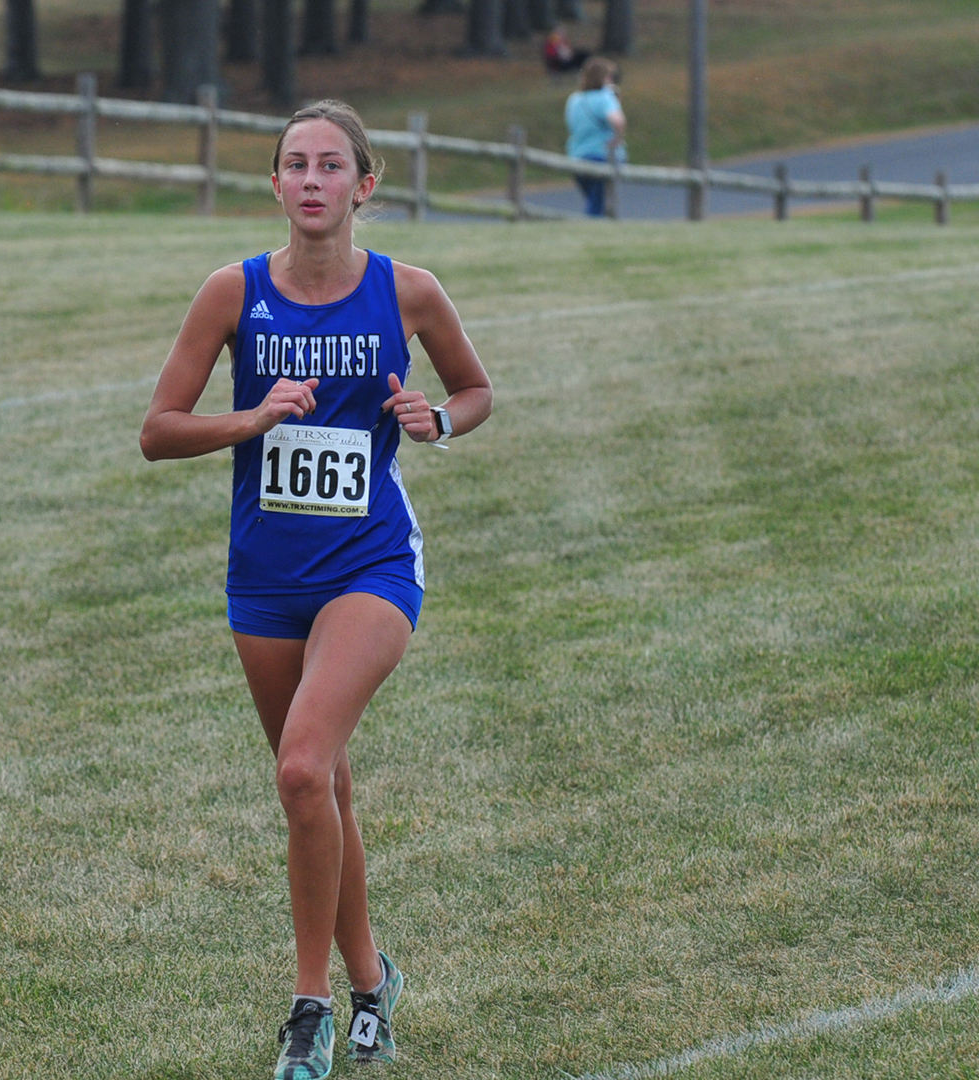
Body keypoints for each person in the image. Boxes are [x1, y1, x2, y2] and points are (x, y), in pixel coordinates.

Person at [139, 100, 492, 1080]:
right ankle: (375, 979)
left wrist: (439, 421)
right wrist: (249, 420)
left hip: (370, 564)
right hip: (264, 576)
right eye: (293, 165)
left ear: (363, 186)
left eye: (329, 166)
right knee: (319, 784)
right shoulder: (232, 293)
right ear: (275, 184)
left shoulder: (409, 292)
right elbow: (158, 428)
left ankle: (310, 1009)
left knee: (300, 769)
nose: (309, 181)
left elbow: (475, 389)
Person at [564, 57, 625, 216]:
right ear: (604, 78)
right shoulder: (605, 98)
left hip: (577, 156)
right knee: (598, 204)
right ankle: (594, 227)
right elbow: (618, 121)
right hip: (601, 155)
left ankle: (599, 224)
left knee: (593, 198)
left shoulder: (574, 100)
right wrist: (617, 139)